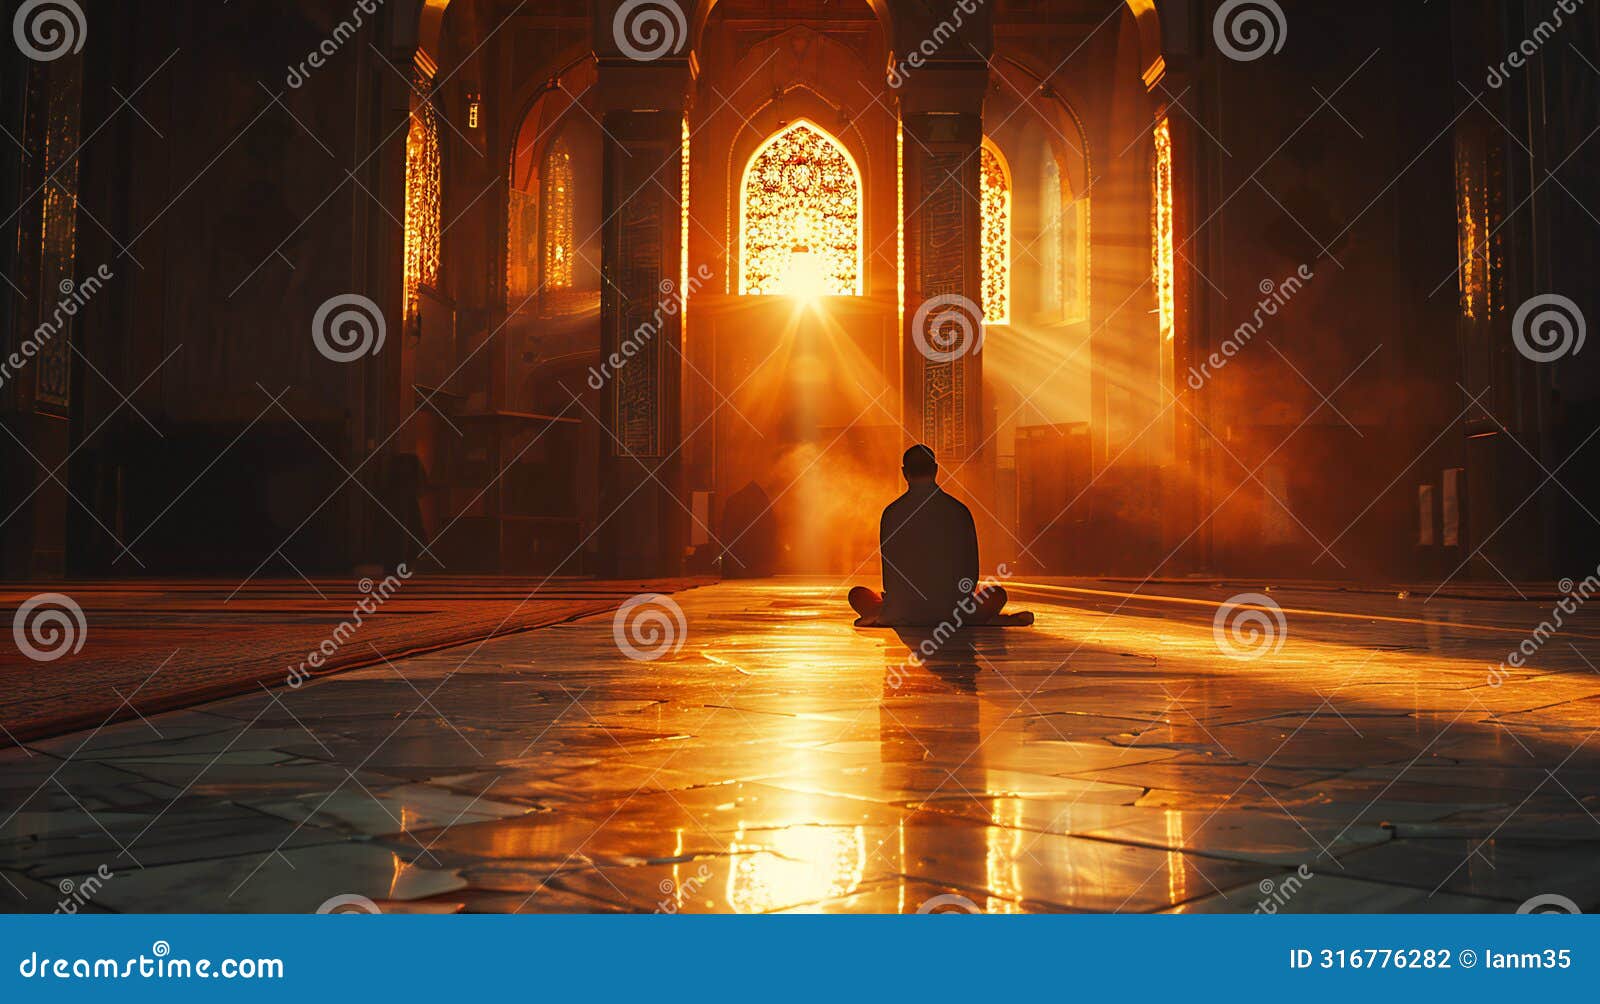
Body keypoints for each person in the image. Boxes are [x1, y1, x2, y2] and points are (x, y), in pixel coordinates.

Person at [849, 445, 1033, 628]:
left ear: (905, 473)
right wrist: (960, 602)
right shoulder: (959, 511)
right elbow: (970, 569)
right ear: (936, 470)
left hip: (903, 611)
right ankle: (970, 616)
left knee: (858, 595)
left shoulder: (891, 513)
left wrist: (896, 604)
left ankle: (897, 612)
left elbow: (890, 571)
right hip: (953, 611)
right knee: (996, 595)